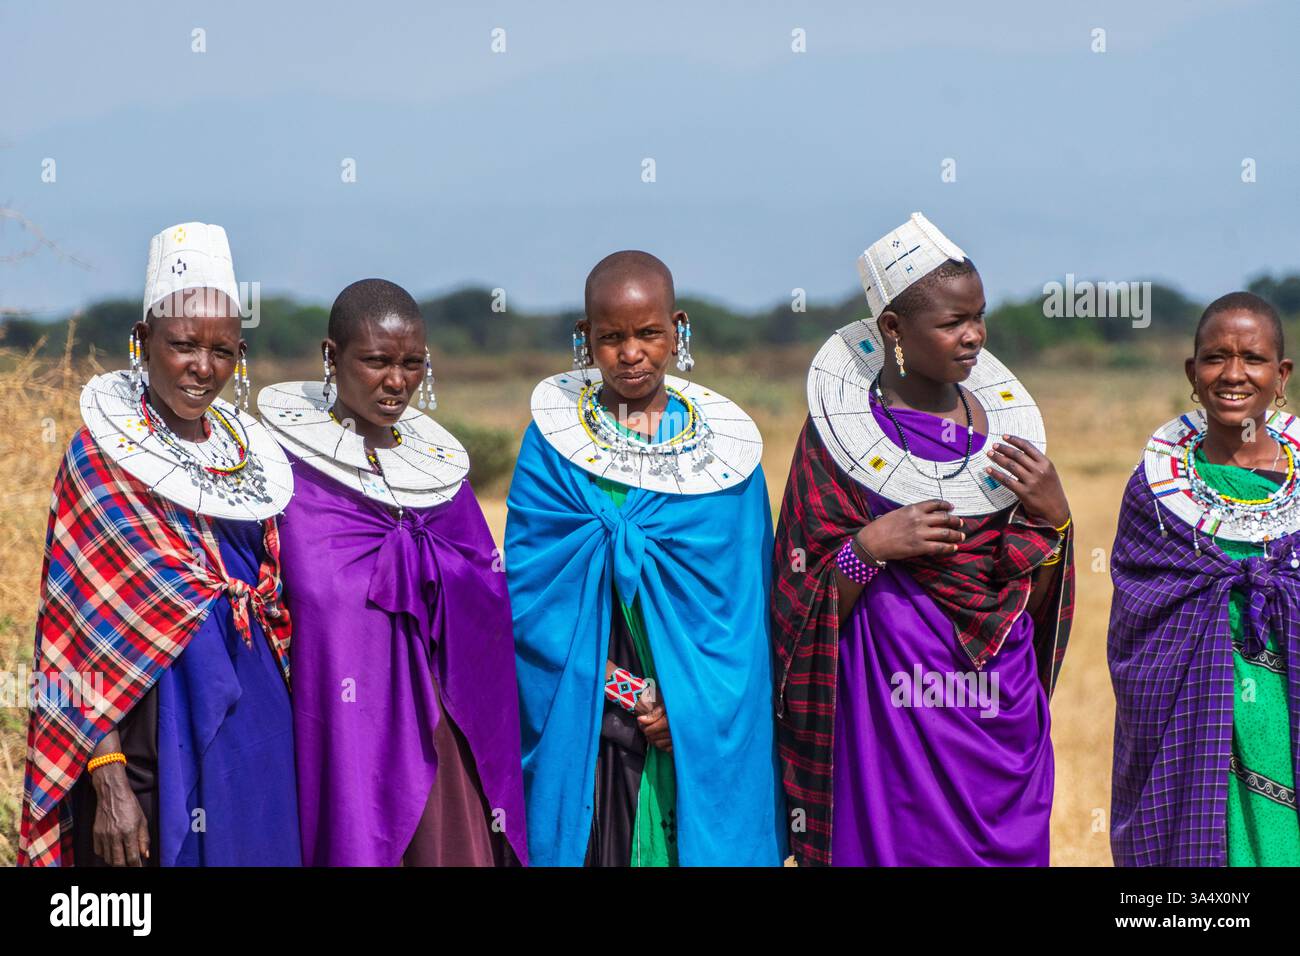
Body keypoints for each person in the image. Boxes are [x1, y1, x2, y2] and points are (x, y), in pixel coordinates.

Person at [772, 213, 1076, 866]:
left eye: (979, 317)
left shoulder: (1007, 443)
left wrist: (1055, 523)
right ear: (892, 329)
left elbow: (1032, 595)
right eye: (951, 323)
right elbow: (797, 599)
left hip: (998, 703)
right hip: (888, 705)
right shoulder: (836, 441)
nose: (974, 337)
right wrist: (871, 548)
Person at [19, 222, 300, 867]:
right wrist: (109, 776)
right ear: (142, 341)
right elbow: (73, 634)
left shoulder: (249, 461)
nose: (204, 368)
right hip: (146, 749)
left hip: (255, 740)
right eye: (182, 345)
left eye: (223, 351)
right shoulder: (98, 460)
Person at [505, 250, 786, 866]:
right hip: (596, 731)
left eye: (649, 333)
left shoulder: (728, 465)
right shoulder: (551, 451)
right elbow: (532, 608)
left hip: (700, 726)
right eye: (611, 337)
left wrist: (682, 706)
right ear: (585, 338)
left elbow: (743, 620)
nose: (630, 353)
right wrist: (629, 695)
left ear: (678, 328)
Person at [262, 279, 527, 866]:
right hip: (340, 730)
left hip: (441, 735)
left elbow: (486, 596)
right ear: (332, 357)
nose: (396, 381)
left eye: (412, 363)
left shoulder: (439, 485)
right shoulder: (287, 482)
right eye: (377, 361)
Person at [1109, 291, 1300, 866]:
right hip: (1199, 713)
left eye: (1253, 358)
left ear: (1281, 374)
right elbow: (1139, 617)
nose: (1233, 374)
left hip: (1287, 695)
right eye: (1216, 357)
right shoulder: (1155, 490)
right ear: (1192, 372)